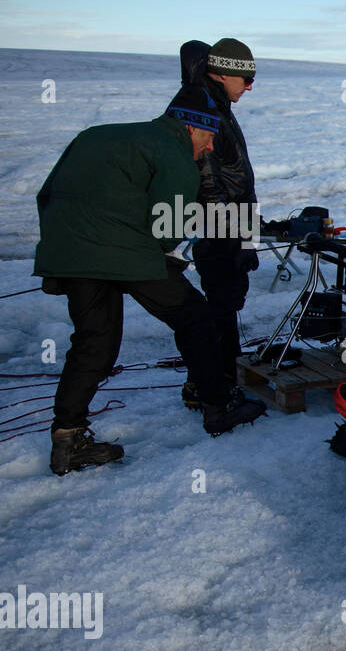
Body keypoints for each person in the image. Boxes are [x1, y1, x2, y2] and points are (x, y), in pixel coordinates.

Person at [34, 87, 268, 475]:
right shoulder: (175, 153)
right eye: (209, 137)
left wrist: (74, 245)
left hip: (69, 250)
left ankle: (68, 439)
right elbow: (168, 228)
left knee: (94, 341)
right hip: (121, 249)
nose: (209, 148)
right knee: (195, 316)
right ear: (193, 128)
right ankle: (217, 405)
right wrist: (160, 252)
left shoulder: (96, 135)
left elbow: (47, 195)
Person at [176, 38, 260, 406]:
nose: (250, 86)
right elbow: (207, 177)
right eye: (246, 78)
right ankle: (210, 385)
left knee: (225, 301)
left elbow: (229, 173)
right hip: (219, 222)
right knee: (219, 304)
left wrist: (247, 233)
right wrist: (232, 235)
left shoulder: (216, 102)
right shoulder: (204, 105)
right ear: (224, 72)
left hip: (229, 219)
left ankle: (221, 375)